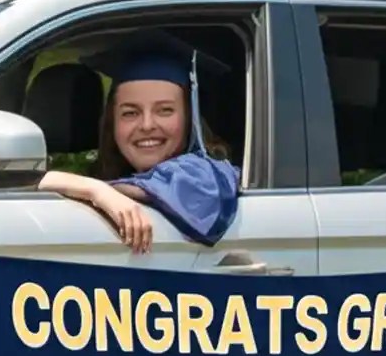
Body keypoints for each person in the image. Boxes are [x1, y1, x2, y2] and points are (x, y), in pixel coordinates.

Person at [37, 30, 241, 254]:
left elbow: (151, 189)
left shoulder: (205, 174)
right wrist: (95, 188)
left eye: (165, 110)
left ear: (190, 119)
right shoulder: (111, 173)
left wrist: (97, 191)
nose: (146, 125)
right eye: (130, 113)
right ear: (112, 123)